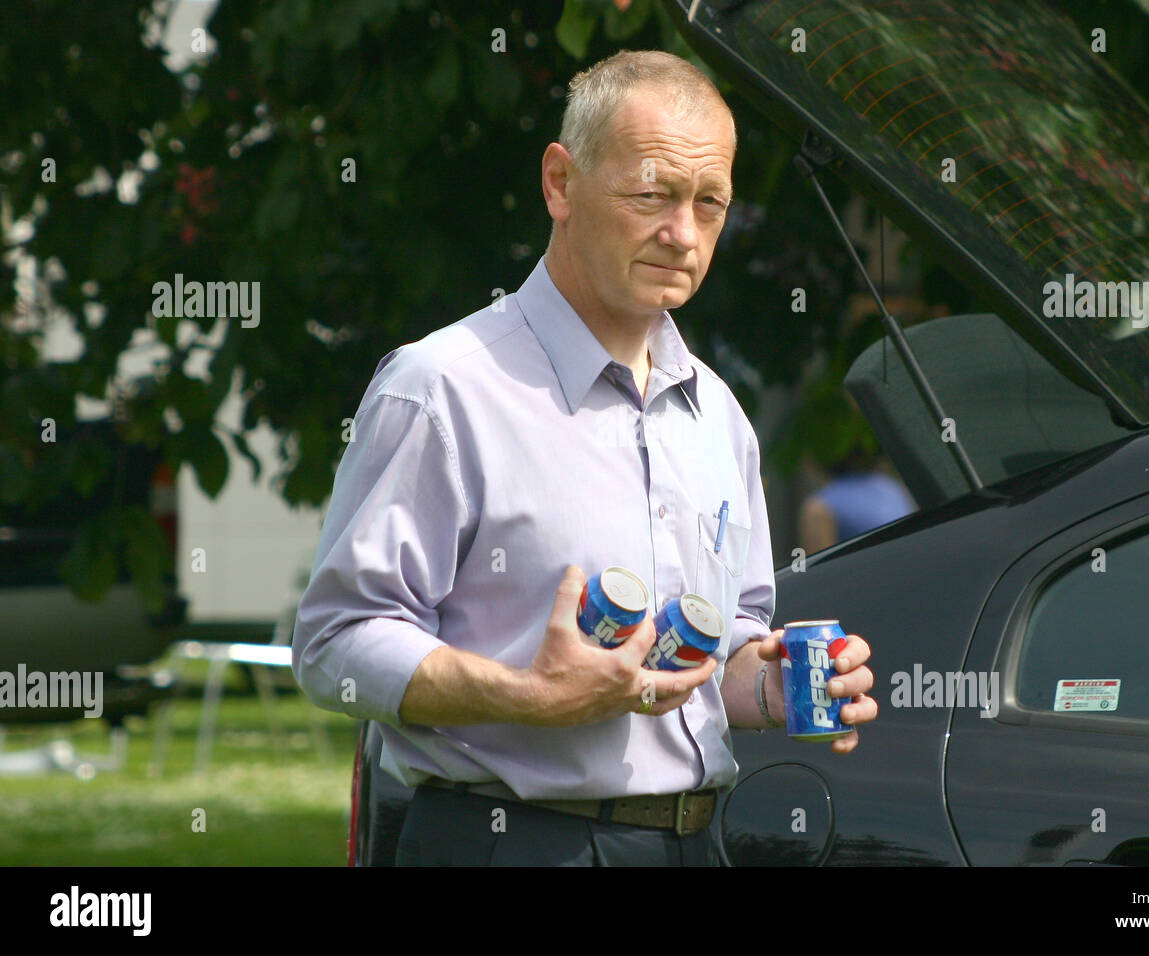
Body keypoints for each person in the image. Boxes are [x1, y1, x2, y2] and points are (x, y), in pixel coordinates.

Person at [291, 49, 877, 867]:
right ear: (560, 183)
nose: (683, 234)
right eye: (652, 195)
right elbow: (334, 646)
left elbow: (717, 653)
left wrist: (770, 684)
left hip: (696, 843)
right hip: (508, 841)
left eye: (710, 204)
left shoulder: (718, 415)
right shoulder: (443, 389)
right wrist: (530, 698)